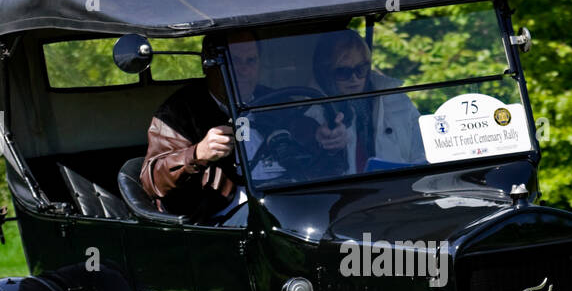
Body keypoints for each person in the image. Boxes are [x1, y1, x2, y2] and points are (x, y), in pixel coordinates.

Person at [141, 30, 349, 215]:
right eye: (234, 61)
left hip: (285, 201)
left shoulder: (272, 102)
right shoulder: (178, 111)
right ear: (208, 64)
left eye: (251, 61)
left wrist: (328, 140)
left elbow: (309, 140)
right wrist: (198, 154)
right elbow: (152, 179)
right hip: (222, 212)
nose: (244, 70)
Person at [311, 30, 423, 171]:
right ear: (326, 73)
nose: (354, 78)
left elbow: (424, 147)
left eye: (361, 69)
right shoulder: (311, 109)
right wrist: (330, 146)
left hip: (401, 188)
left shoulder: (395, 97)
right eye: (343, 72)